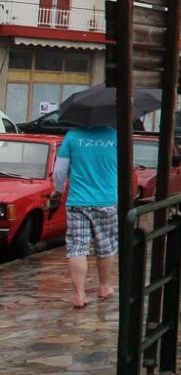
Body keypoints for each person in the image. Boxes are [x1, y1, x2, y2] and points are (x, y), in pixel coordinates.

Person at [53, 124, 119, 308]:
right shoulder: (116, 136)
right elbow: (125, 167)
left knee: (77, 247)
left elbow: (59, 171)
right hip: (107, 200)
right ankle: (104, 287)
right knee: (106, 245)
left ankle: (79, 295)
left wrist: (58, 190)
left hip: (77, 202)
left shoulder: (72, 136)